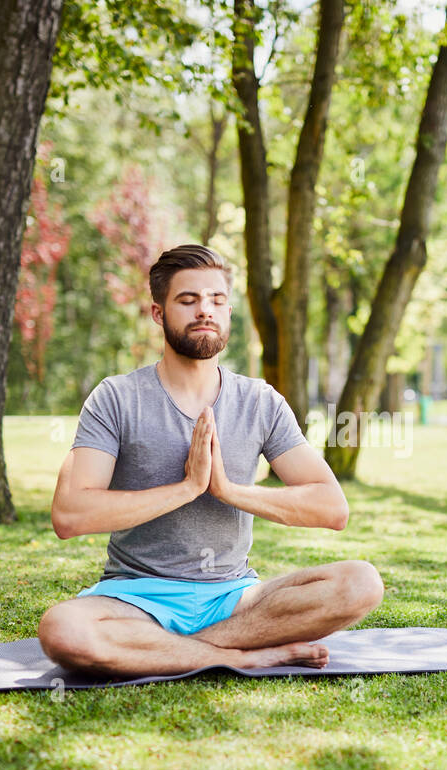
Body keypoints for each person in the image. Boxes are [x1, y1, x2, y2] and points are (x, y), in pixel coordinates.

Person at [37, 244, 384, 677]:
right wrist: (185, 489)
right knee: (63, 630)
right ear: (158, 313)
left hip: (235, 599)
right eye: (188, 300)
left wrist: (229, 491)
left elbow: (332, 509)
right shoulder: (117, 398)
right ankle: (236, 656)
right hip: (136, 600)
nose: (205, 310)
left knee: (360, 583)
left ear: (229, 313)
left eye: (216, 300)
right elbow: (70, 515)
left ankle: (169, 651)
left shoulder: (259, 402)